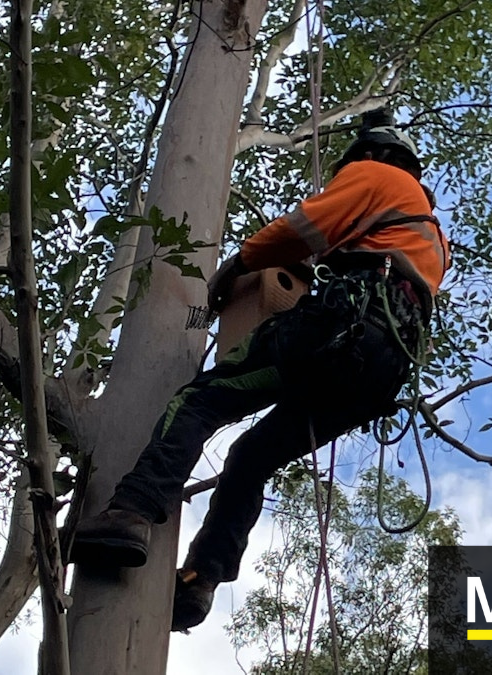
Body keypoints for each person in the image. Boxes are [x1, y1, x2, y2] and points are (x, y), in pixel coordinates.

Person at [69, 109, 450, 632]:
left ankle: (130, 512)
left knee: (200, 400)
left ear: (373, 155)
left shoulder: (377, 175)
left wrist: (237, 264)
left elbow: (302, 229)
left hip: (342, 329)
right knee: (250, 457)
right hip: (378, 372)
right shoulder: (429, 232)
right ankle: (201, 581)